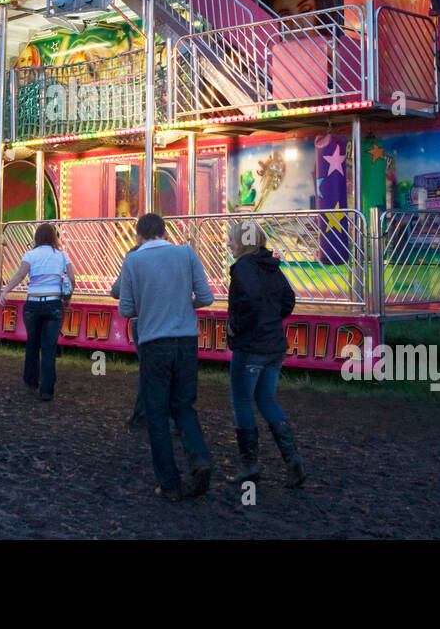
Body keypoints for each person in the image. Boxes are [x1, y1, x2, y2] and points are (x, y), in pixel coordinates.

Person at [117, 213, 215, 501]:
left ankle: (169, 484)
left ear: (139, 236)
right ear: (165, 232)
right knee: (184, 406)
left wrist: (150, 305)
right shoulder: (186, 253)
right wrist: (183, 303)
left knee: (157, 414)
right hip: (186, 340)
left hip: (153, 342)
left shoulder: (133, 260)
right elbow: (206, 297)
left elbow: (125, 309)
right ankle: (199, 458)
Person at [225, 220, 305, 488]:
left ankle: (250, 464)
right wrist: (272, 319)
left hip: (251, 346)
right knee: (266, 400)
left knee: (241, 401)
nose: (228, 243)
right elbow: (288, 301)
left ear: (243, 242)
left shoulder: (243, 268)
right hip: (274, 345)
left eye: (232, 239)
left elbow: (250, 302)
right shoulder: (271, 266)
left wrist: (236, 327)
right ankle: (292, 458)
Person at [0, 223, 76, 402]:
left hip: (32, 304)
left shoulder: (30, 255)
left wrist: (5, 291)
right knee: (49, 347)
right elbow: (72, 279)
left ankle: (30, 382)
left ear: (37, 238)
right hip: (54, 304)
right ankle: (47, 390)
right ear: (54, 237)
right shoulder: (62, 255)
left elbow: (20, 275)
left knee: (32, 343)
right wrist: (67, 299)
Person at [110, 243, 147, 429]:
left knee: (147, 369)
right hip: (172, 322)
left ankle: (142, 415)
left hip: (141, 319)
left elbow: (116, 291)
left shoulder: (132, 259)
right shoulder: (170, 257)